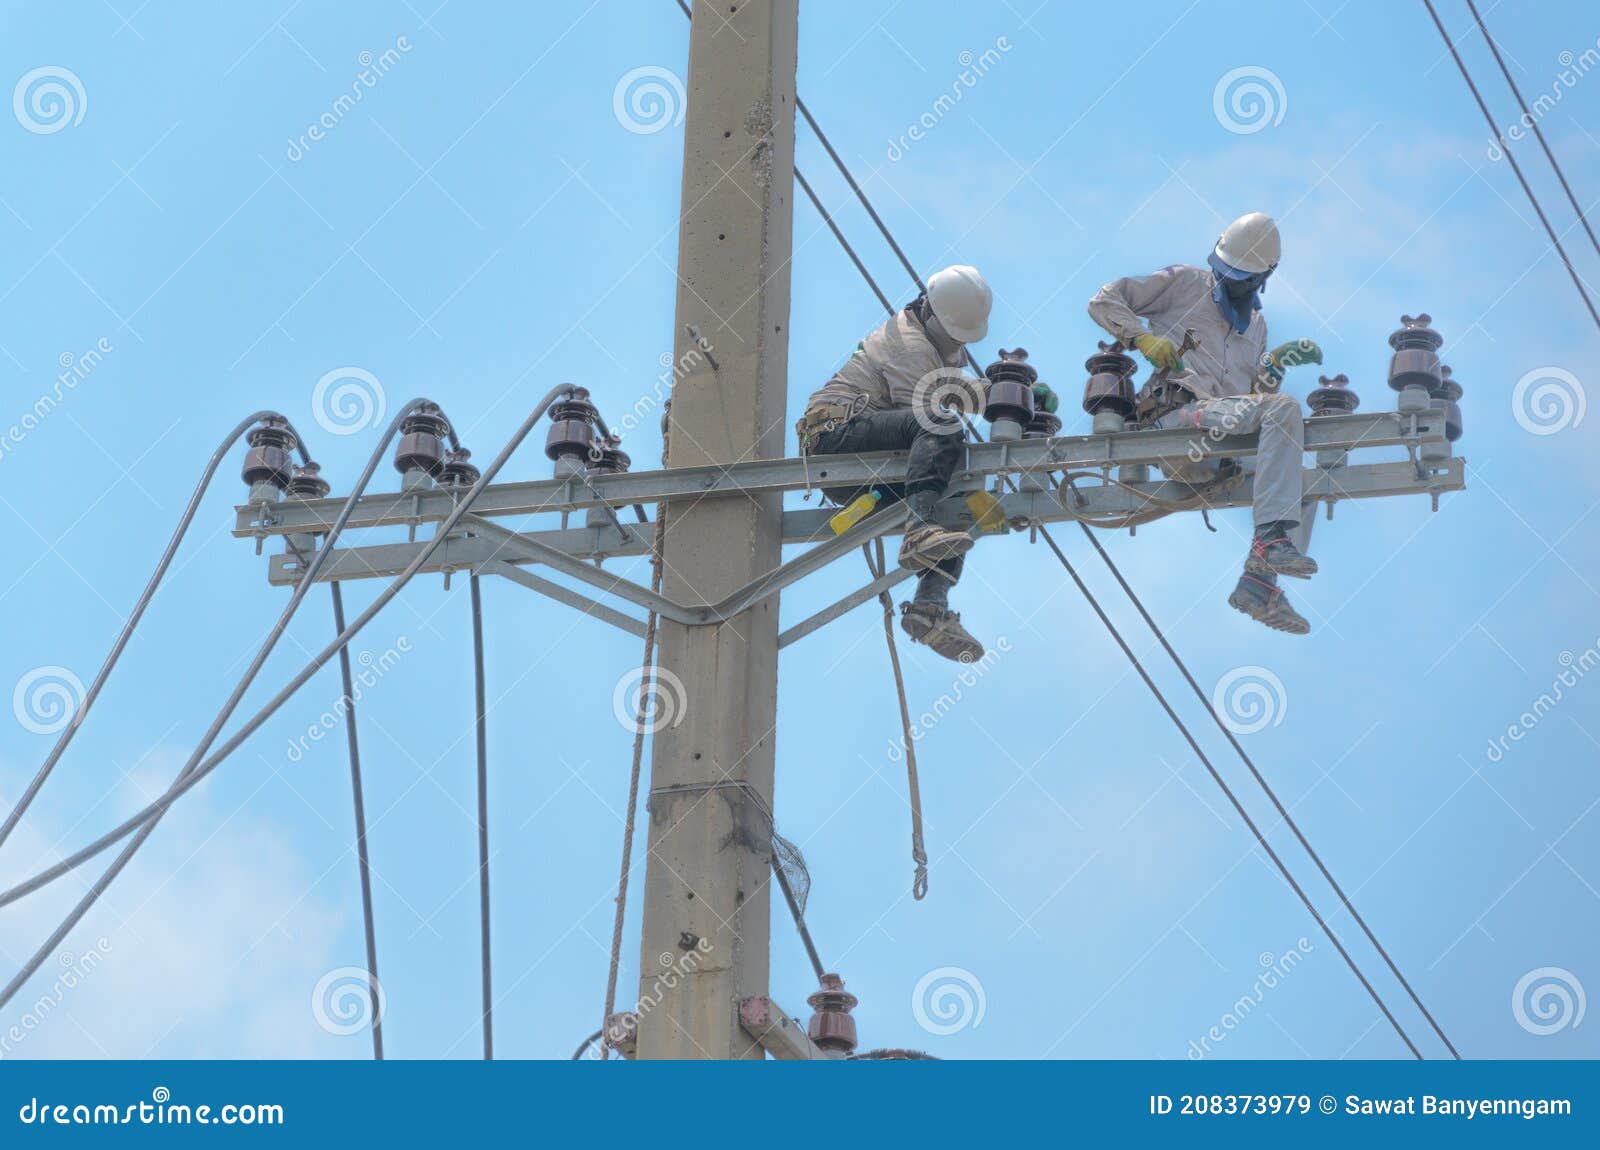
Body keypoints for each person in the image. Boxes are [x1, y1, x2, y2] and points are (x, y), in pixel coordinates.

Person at [799, 265, 1055, 662]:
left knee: (958, 496)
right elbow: (930, 404)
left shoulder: (934, 346)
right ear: (932, 312)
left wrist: (1010, 393)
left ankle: (929, 607)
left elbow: (947, 389)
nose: (957, 342)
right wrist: (998, 394)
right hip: (836, 440)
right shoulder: (906, 342)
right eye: (954, 333)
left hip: (873, 462)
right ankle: (918, 531)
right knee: (940, 426)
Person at [1087, 212, 1325, 634]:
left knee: (1305, 484)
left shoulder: (1257, 326)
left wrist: (1273, 367)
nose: (1226, 280)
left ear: (1261, 278)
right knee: (1283, 409)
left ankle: (1258, 582)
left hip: (1220, 448)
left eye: (1238, 276)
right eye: (1224, 271)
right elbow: (1104, 299)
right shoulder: (1184, 283)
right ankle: (1271, 539)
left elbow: (1251, 402)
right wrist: (1140, 336)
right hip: (1179, 425)